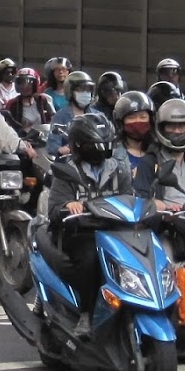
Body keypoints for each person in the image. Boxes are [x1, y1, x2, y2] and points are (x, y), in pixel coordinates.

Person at [43, 114, 133, 332]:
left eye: (106, 143)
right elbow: (54, 210)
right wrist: (69, 205)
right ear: (80, 145)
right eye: (96, 144)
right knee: (91, 258)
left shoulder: (119, 169)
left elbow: (130, 200)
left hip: (114, 231)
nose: (102, 149)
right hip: (79, 234)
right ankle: (86, 313)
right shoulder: (67, 171)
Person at [48, 69, 98, 158]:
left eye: (88, 90)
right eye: (81, 90)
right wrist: (61, 149)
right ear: (70, 92)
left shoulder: (97, 116)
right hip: (70, 163)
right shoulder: (60, 117)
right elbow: (52, 145)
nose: (85, 93)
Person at [1, 66, 55, 136]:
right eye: (21, 83)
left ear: (35, 84)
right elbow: (6, 126)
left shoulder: (43, 100)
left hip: (44, 138)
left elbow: (54, 119)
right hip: (22, 140)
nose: (24, 87)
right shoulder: (12, 104)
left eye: (29, 84)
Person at [111, 89, 155, 173]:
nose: (138, 121)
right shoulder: (112, 155)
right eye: (132, 118)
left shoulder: (159, 153)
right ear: (121, 122)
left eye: (143, 117)